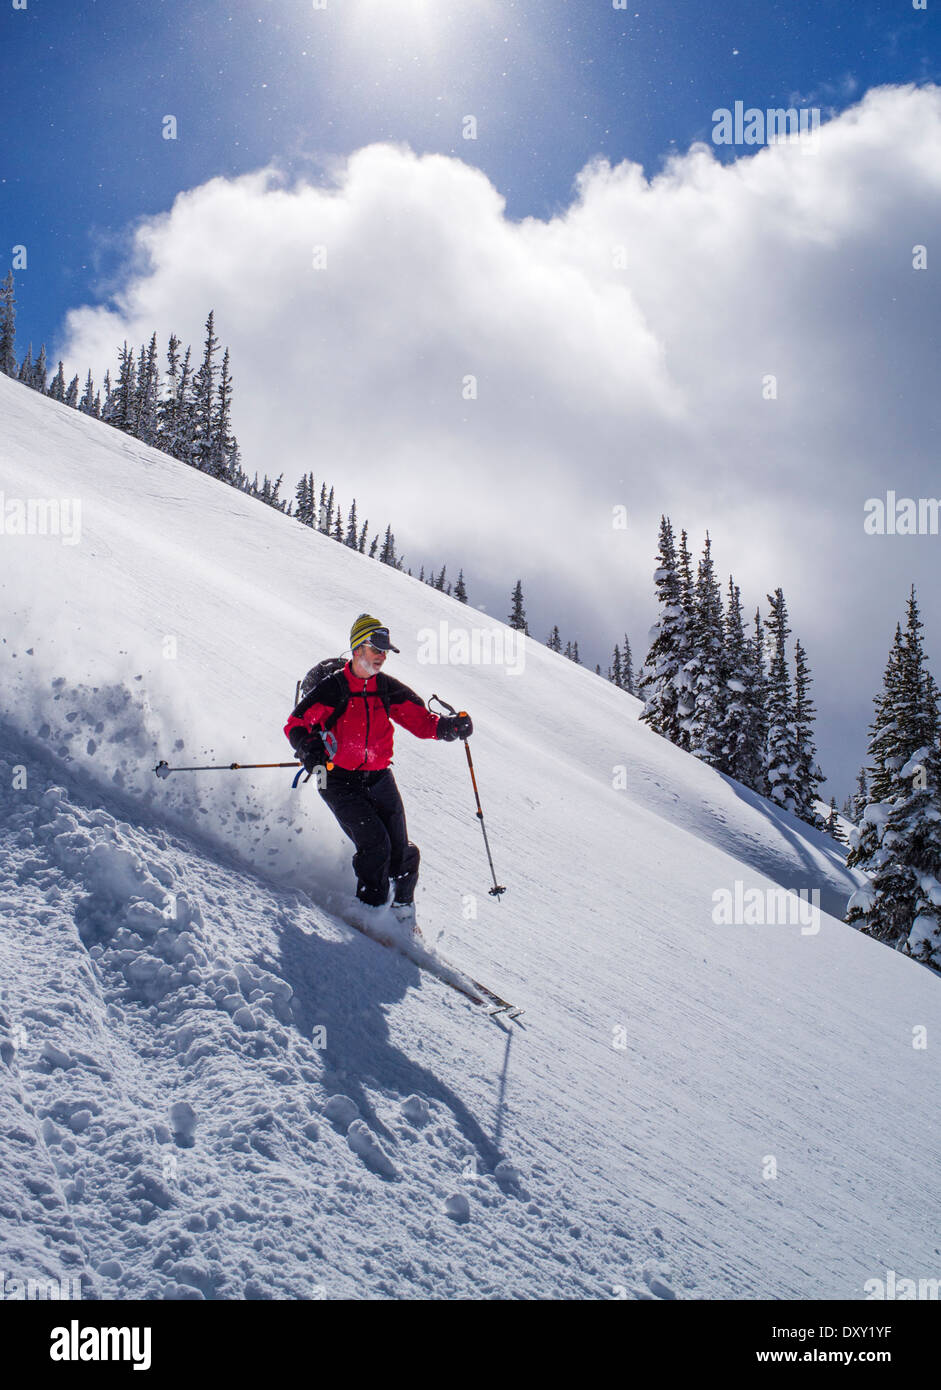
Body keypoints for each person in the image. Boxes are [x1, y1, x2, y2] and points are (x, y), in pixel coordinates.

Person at [284, 614, 472, 930]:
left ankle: (402, 918)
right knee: (376, 846)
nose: (382, 657)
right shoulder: (333, 689)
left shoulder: (386, 688)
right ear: (358, 648)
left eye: (385, 651)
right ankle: (369, 916)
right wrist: (310, 750)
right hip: (337, 779)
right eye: (377, 649)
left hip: (379, 777)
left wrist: (451, 727)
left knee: (402, 853)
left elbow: (423, 722)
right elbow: (296, 724)